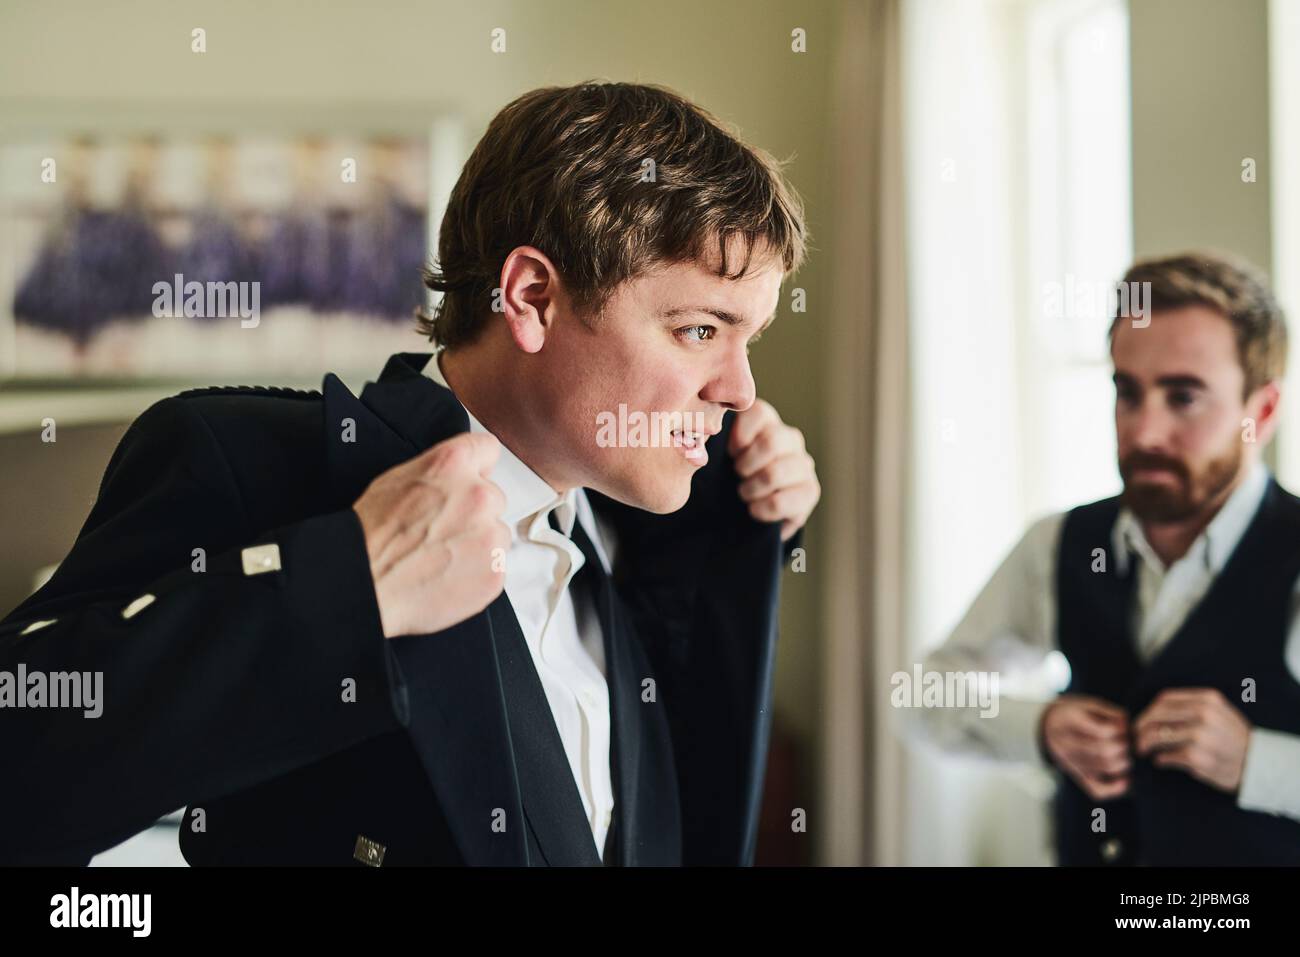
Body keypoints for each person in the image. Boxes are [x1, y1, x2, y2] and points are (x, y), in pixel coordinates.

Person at [0, 81, 820, 866]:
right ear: (531, 298)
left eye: (744, 339)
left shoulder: (651, 530)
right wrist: (349, 586)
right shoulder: (251, 463)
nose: (740, 389)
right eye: (698, 330)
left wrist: (747, 520)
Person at [909, 252, 1300, 866]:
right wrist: (1038, 728)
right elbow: (922, 693)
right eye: (1128, 391)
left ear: (1263, 411)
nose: (1144, 432)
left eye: (1184, 397)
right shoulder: (1058, 543)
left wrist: (1257, 762)